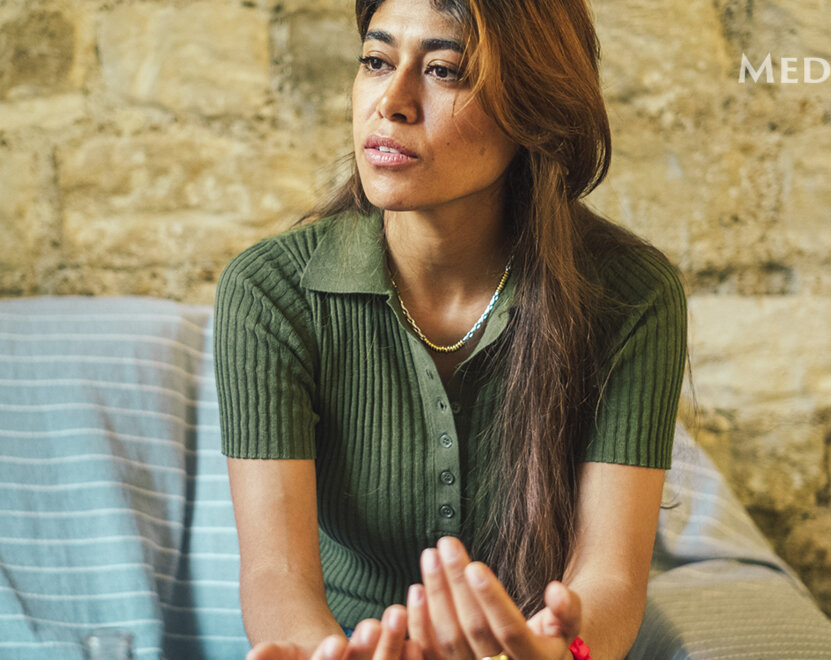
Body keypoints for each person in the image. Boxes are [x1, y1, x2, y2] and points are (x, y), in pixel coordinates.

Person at [213, 0, 687, 658]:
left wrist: (557, 652)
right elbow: (277, 575)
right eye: (377, 62)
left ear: (535, 109)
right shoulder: (269, 292)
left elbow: (609, 578)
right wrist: (326, 654)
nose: (392, 101)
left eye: (445, 71)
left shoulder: (632, 295)